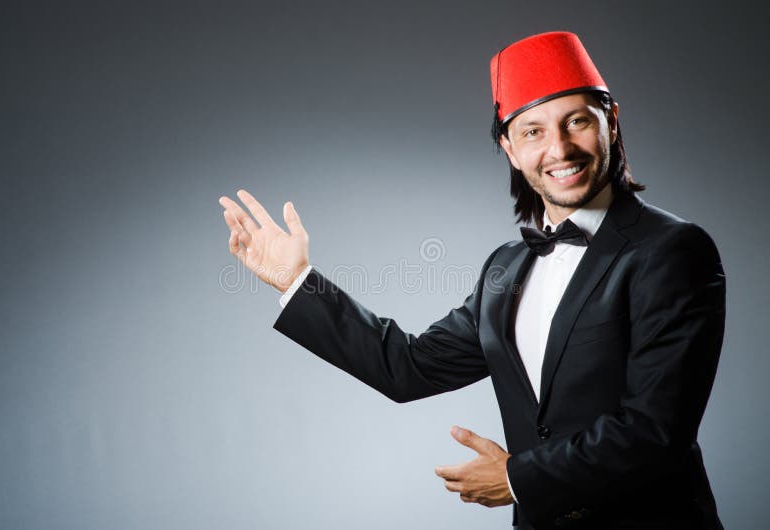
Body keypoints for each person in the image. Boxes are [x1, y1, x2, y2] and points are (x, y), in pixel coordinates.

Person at [218, 31, 725, 530]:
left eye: (576, 122)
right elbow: (408, 368)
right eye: (533, 131)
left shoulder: (673, 250)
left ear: (611, 123)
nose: (560, 149)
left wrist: (517, 480)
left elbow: (655, 431)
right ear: (508, 147)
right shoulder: (505, 268)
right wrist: (295, 280)